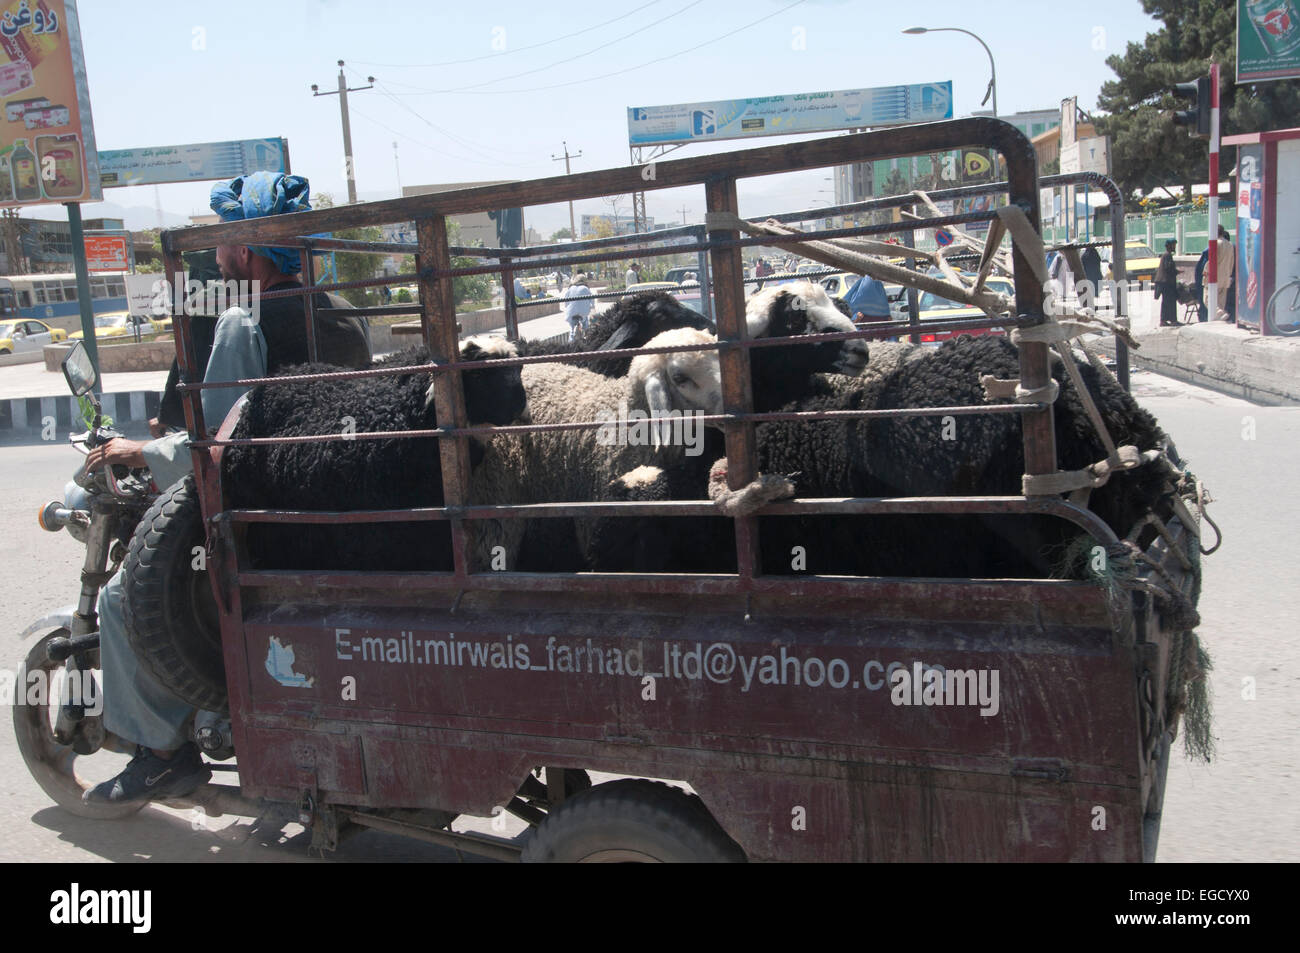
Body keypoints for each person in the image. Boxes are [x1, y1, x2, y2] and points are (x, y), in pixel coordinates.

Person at [81, 172, 370, 806]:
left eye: (223, 242)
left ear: (245, 250)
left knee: (125, 597)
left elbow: (216, 447)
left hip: (261, 523)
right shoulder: (346, 314)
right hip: (335, 512)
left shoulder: (242, 320)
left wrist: (139, 451)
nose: (215, 256)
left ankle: (161, 755)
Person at [1154, 239, 1179, 327]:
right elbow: (1168, 268)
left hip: (1165, 282)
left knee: (1167, 302)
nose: (1174, 247)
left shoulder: (1166, 255)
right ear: (1169, 246)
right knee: (1169, 301)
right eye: (1173, 245)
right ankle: (1171, 320)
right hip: (1166, 282)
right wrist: (1176, 271)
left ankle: (1165, 320)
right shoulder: (1167, 255)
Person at [563, 272, 594, 341]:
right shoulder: (586, 288)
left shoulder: (570, 288)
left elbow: (566, 303)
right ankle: (587, 336)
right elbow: (592, 302)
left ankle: (571, 342)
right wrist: (592, 308)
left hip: (571, 313)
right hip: (583, 313)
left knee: (571, 329)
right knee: (585, 322)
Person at [1215, 225, 1235, 321]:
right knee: (1221, 301)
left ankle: (1222, 313)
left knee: (1208, 299)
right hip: (1226, 276)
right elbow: (1231, 261)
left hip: (1215, 277)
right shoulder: (1229, 244)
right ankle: (1221, 317)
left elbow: (1212, 262)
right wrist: (1229, 274)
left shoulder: (1216, 244)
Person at [1194, 246, 1210, 322]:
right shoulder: (1205, 261)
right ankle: (1203, 317)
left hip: (1202, 283)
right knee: (1204, 301)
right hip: (1203, 284)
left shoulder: (1203, 260)